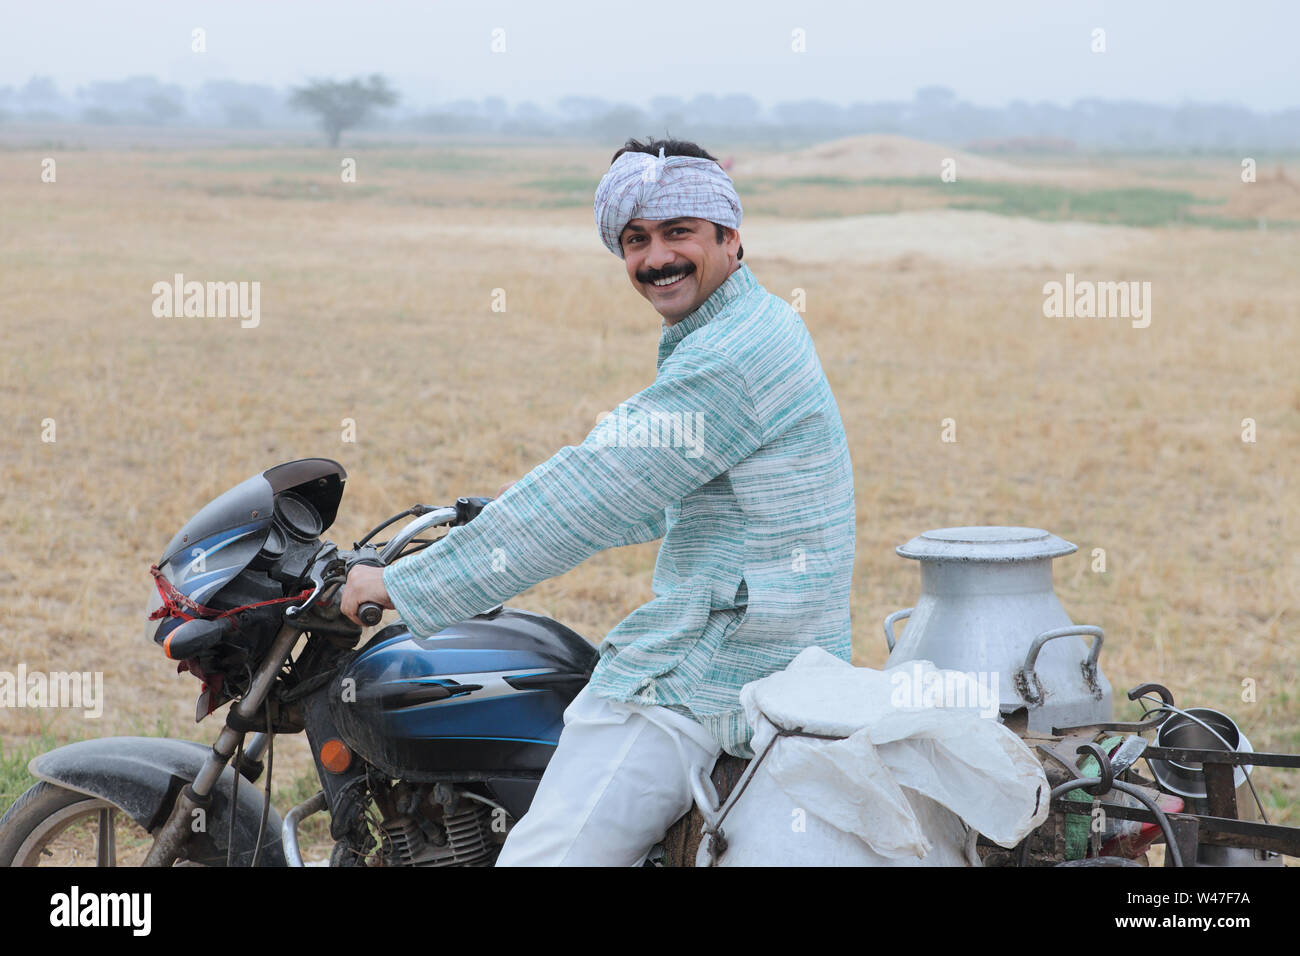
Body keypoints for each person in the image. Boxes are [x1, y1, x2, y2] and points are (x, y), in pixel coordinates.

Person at [340, 136, 856, 865]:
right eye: (636, 240)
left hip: (720, 666)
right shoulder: (745, 324)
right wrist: (500, 520)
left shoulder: (730, 355)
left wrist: (403, 583)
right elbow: (655, 481)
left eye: (678, 233)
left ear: (730, 236)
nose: (655, 259)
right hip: (771, 636)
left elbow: (599, 490)